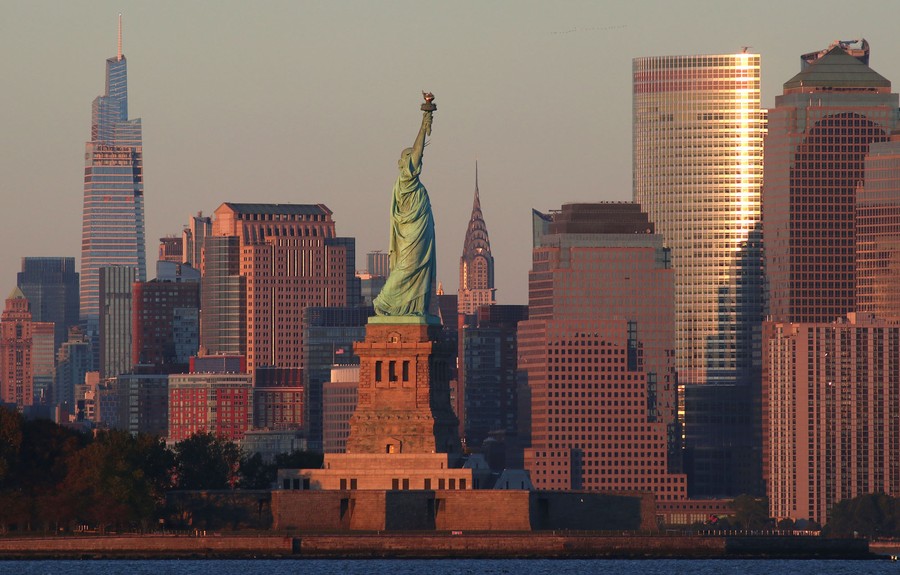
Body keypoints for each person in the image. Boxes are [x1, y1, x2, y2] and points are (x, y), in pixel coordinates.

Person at [373, 95, 437, 319]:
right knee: (407, 268)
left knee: (419, 270)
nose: (417, 160)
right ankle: (385, 302)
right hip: (411, 236)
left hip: (420, 233)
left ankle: (413, 307)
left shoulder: (414, 184)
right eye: (411, 158)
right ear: (405, 163)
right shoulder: (405, 180)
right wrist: (425, 118)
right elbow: (418, 151)